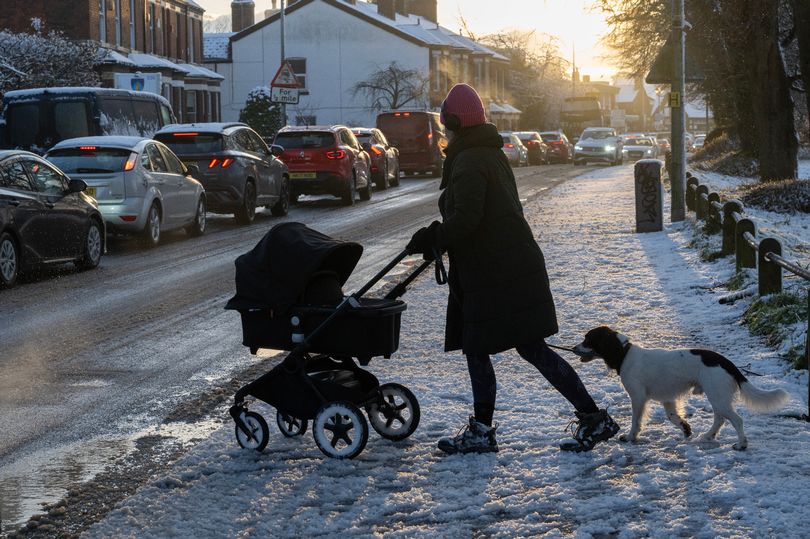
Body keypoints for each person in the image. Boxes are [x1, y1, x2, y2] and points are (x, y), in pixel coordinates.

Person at [406, 83, 619, 454]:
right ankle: (591, 418)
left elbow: (469, 219)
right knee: (529, 348)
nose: (443, 129)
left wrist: (435, 236)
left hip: (495, 274)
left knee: (480, 347)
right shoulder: (486, 153)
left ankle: (484, 432)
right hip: (506, 268)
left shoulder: (470, 159)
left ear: (455, 122)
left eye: (445, 122)